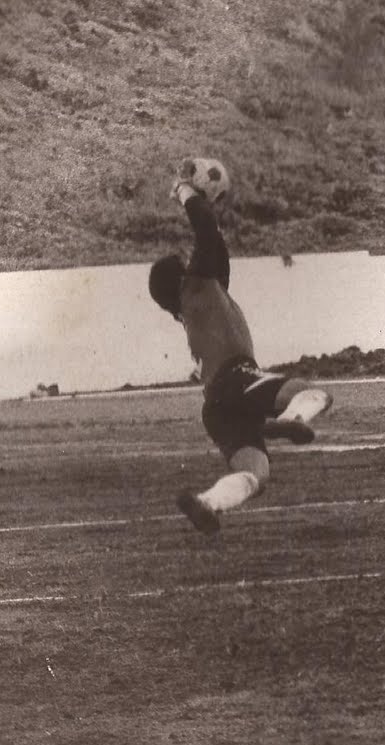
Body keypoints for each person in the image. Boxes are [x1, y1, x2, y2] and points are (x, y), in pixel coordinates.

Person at [147, 158, 332, 535]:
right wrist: (186, 192)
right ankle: (289, 420)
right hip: (235, 377)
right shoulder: (196, 288)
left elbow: (217, 249)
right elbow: (207, 234)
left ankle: (208, 502)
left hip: (216, 405)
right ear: (182, 276)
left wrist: (206, 201)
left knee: (255, 473)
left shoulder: (199, 299)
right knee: (312, 393)